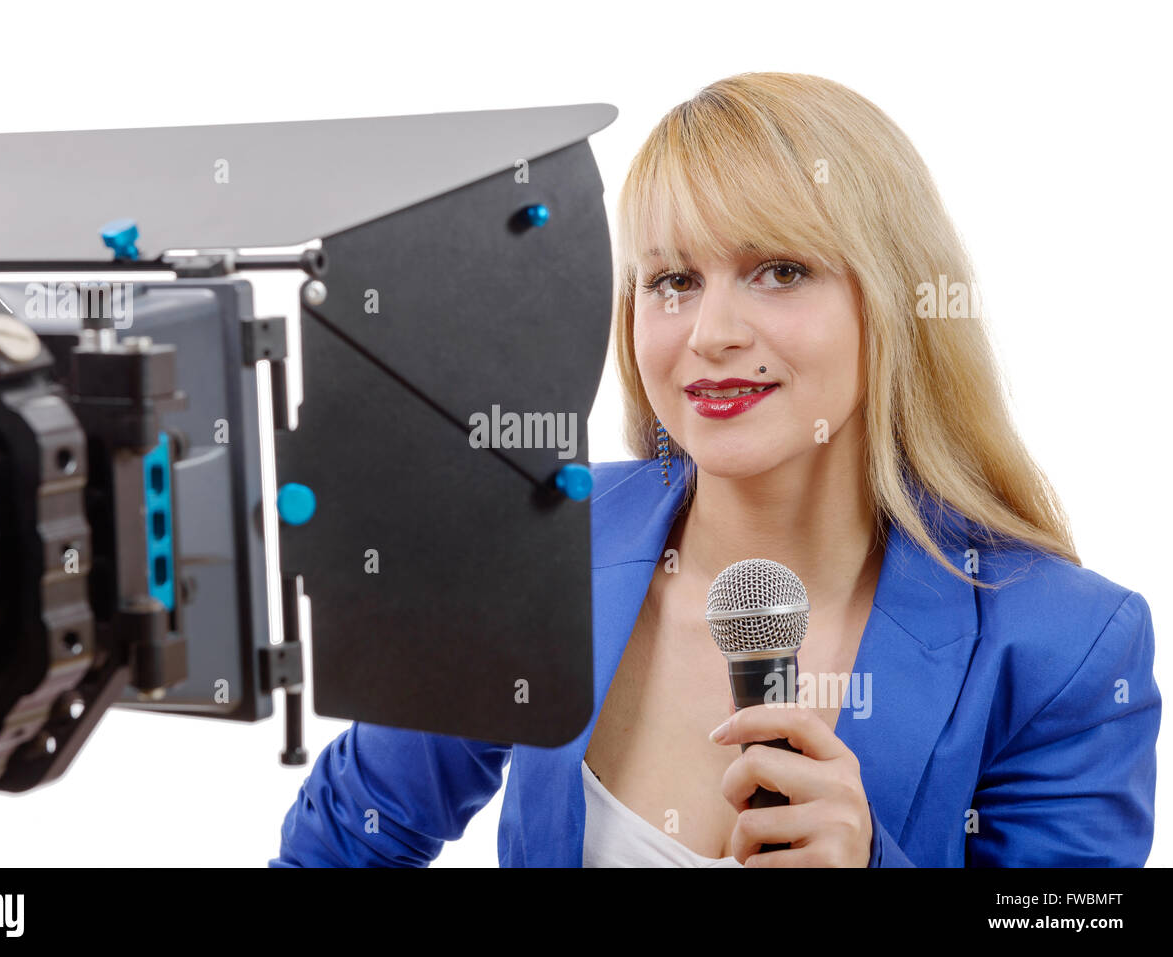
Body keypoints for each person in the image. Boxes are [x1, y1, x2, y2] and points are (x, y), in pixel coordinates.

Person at [270, 73, 1160, 867]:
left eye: (779, 270)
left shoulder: (1066, 648)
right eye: (673, 281)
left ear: (891, 300)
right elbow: (345, 839)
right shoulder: (537, 549)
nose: (710, 334)